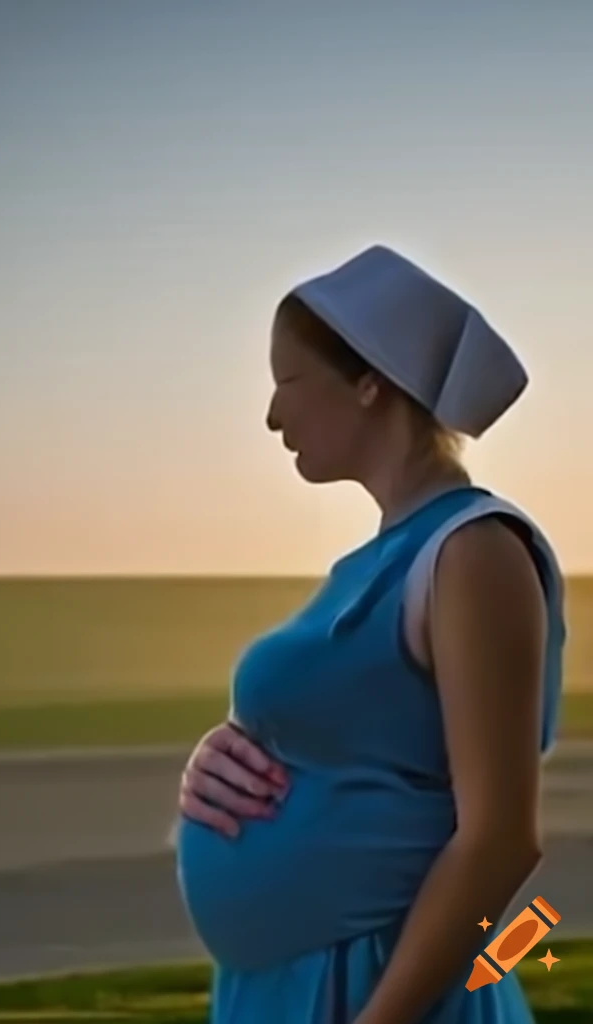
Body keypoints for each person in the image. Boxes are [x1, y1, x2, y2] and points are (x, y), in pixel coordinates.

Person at [173, 244, 567, 1024]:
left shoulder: (471, 553)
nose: (272, 414)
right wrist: (220, 765)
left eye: (287, 382)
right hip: (291, 986)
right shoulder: (377, 562)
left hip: (379, 991)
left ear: (368, 383)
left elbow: (501, 841)